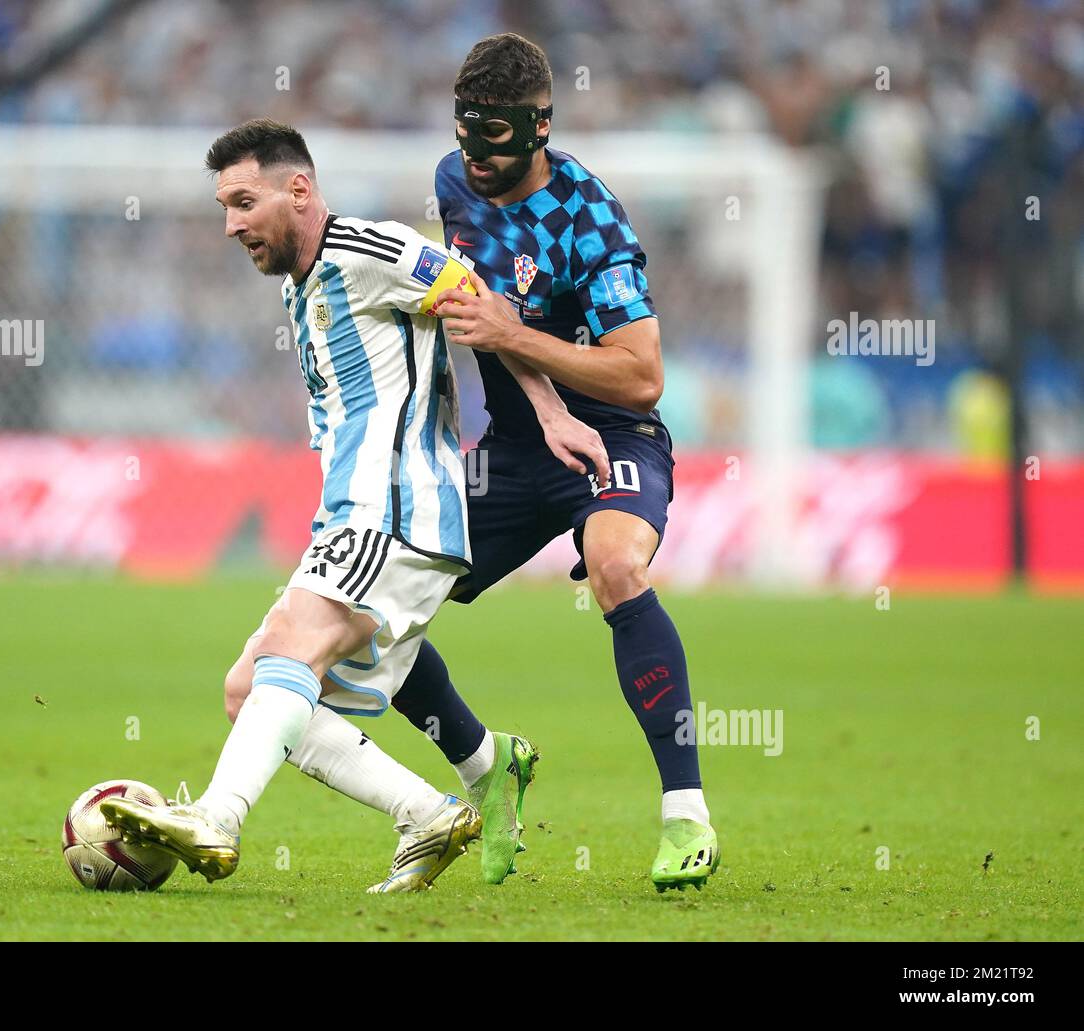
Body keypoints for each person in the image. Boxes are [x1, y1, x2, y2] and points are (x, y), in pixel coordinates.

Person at [103, 118, 606, 892]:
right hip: (352, 512)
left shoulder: (371, 249)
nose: (231, 223)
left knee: (286, 655)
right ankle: (428, 808)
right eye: (223, 207)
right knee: (251, 691)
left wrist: (549, 412)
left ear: (297, 189)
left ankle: (218, 816)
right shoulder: (300, 288)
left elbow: (479, 304)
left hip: (396, 508)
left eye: (243, 201)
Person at [390, 33, 721, 892]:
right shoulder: (453, 179)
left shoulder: (590, 219)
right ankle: (485, 763)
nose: (477, 157)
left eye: (494, 138)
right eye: (467, 135)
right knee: (373, 612)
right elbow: (479, 298)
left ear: (539, 125)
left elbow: (643, 375)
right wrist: (524, 379)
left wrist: (512, 337)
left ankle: (687, 815)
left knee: (614, 565)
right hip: (511, 447)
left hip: (611, 436)